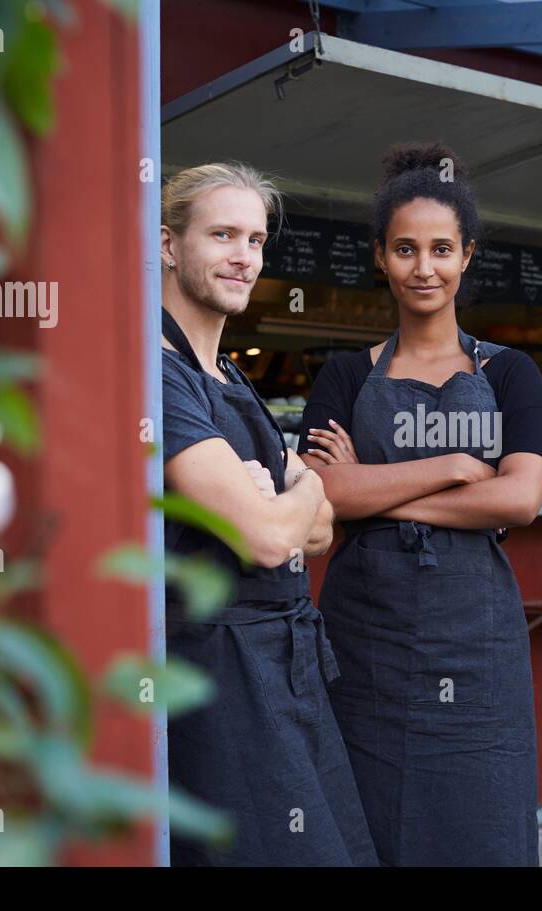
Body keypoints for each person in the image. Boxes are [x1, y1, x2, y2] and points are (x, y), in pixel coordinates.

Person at [300, 142, 542, 866]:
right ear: (380, 255)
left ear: (467, 255)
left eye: (442, 249)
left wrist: (377, 495)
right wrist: (453, 467)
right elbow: (324, 491)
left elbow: (521, 497)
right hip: (365, 642)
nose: (424, 267)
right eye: (405, 249)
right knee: (369, 819)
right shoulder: (347, 373)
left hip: (477, 645)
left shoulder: (510, 373)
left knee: (482, 822)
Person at [160, 162, 377, 866]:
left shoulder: (234, 378)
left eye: (254, 240)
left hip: (289, 666)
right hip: (220, 676)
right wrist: (303, 488)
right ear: (168, 245)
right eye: (222, 234)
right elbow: (268, 536)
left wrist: (293, 488)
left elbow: (318, 529)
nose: (243, 256)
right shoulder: (155, 376)